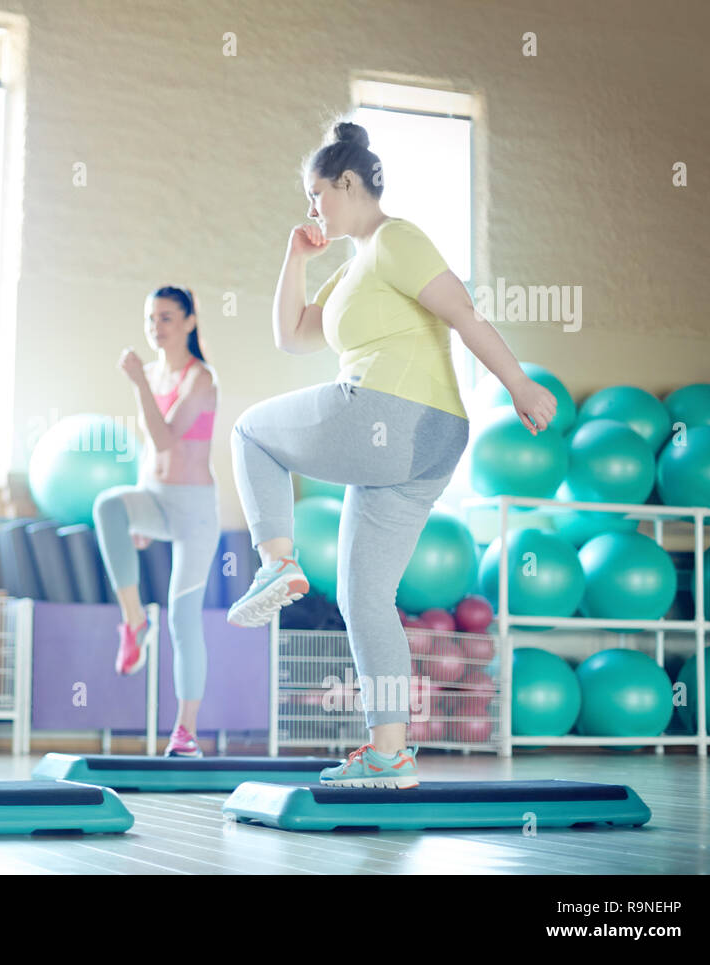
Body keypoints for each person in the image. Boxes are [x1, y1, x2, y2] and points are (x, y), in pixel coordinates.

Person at [227, 121, 556, 787]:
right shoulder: (354, 268)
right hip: (424, 445)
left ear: (349, 184)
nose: (312, 210)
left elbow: (464, 312)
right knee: (365, 595)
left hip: (393, 412)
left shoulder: (395, 240)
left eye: (316, 195)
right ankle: (391, 753)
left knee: (249, 432)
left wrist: (519, 384)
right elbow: (292, 335)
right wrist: (296, 256)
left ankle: (276, 563)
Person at [92, 287, 222, 757]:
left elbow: (166, 438)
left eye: (166, 318)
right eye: (151, 318)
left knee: (184, 620)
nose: (156, 327)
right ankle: (133, 622)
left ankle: (185, 731)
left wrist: (138, 385)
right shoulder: (151, 373)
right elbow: (151, 453)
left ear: (189, 321)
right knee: (108, 505)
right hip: (156, 495)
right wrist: (137, 511)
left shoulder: (200, 378)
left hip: (194, 512)